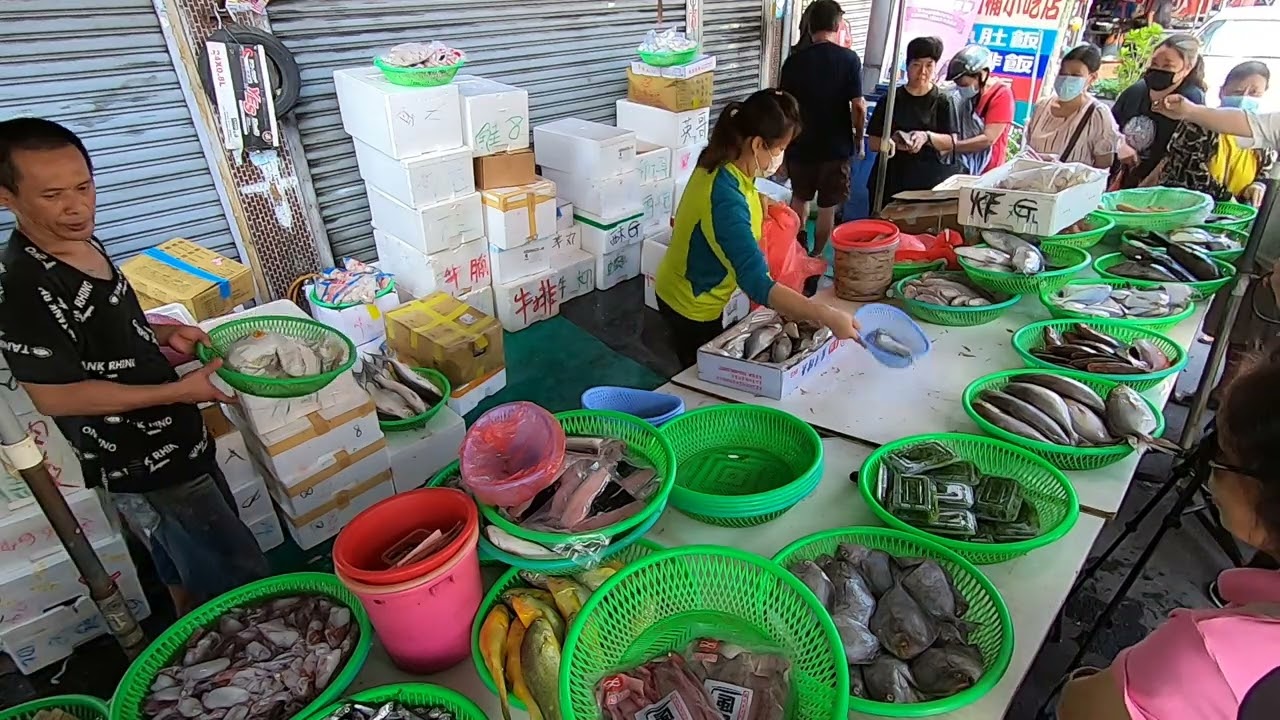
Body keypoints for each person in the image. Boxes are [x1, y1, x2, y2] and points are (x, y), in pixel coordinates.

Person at [0, 118, 269, 615]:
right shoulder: (23, 286)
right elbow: (55, 396)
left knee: (184, 570)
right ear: (7, 197)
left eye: (84, 186)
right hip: (140, 463)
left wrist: (163, 334)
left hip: (178, 440)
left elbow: (101, 324)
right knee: (234, 581)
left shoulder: (82, 242)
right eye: (52, 194)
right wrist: (177, 393)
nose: (76, 206)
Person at [1052, 347, 1280, 720]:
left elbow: (1078, 708)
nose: (1207, 472)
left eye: (1220, 454)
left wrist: (1108, 676)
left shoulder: (1207, 656)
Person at [654, 89, 860, 368]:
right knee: (698, 377)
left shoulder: (724, 160)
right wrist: (826, 316)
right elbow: (757, 283)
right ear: (757, 144)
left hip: (694, 286)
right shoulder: (725, 199)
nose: (781, 157)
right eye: (780, 149)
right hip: (690, 305)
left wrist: (762, 200)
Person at [780, 0, 866, 258]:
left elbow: (784, 108)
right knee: (827, 208)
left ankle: (795, 251)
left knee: (799, 199)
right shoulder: (849, 59)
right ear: (837, 25)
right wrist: (859, 138)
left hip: (800, 146)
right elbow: (859, 107)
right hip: (835, 148)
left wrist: (783, 150)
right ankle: (816, 257)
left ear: (810, 25)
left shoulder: (793, 62)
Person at [1156, 61, 1273, 205]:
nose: (1245, 97)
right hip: (1190, 210)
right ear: (1222, 92)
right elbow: (1188, 171)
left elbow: (1266, 169)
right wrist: (1226, 198)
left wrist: (1258, 185)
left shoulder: (1261, 132)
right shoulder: (1199, 123)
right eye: (1237, 92)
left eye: (1255, 93)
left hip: (1241, 214)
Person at [867, 36, 960, 203]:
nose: (923, 71)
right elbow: (873, 142)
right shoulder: (891, 99)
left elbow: (951, 142)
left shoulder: (942, 101)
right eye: (917, 65)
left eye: (929, 65)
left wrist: (926, 137)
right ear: (907, 65)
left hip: (927, 182)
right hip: (890, 179)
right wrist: (893, 142)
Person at [1110, 33, 1207, 189]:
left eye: (1168, 66)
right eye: (1154, 64)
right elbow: (1110, 127)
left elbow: (1181, 155)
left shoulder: (1191, 101)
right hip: (1123, 180)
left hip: (1160, 190)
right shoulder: (1135, 92)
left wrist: (1144, 188)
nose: (1158, 70)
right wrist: (1120, 144)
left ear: (1187, 68)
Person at [1024, 43, 1123, 169]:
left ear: (1092, 78)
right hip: (1030, 184)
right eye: (1063, 73)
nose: (1066, 79)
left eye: (1076, 75)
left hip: (1070, 187)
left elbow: (1103, 165)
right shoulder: (1042, 106)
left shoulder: (1097, 114)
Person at [923, 44, 1017, 173]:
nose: (961, 89)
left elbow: (988, 139)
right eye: (958, 85)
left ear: (982, 75)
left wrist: (952, 146)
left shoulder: (1001, 95)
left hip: (987, 171)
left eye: (965, 84)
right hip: (960, 168)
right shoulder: (958, 95)